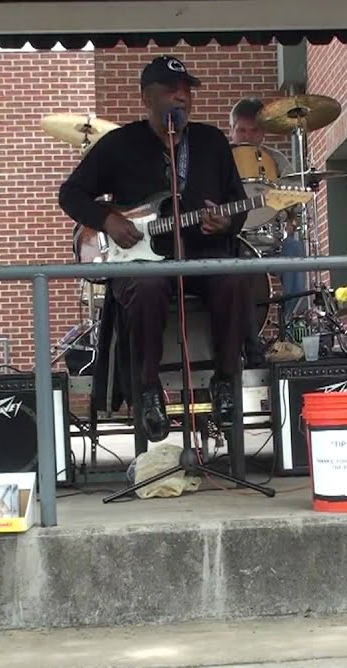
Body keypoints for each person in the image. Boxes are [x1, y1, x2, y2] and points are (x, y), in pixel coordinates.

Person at [58, 55, 253, 443]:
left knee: (234, 276)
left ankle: (226, 381)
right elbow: (71, 193)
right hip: (142, 260)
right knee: (146, 287)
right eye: (170, 91)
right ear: (147, 97)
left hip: (202, 254)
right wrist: (108, 220)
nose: (181, 98)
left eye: (186, 92)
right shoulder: (119, 144)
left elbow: (239, 201)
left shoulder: (212, 142)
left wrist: (226, 222)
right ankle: (147, 390)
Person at [228, 98, 308, 319]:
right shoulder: (219, 158)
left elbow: (295, 201)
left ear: (262, 133)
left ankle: (293, 324)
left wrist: (293, 222)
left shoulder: (277, 159)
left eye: (253, 131)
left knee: (295, 249)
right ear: (231, 130)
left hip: (272, 240)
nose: (247, 136)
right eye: (241, 130)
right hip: (231, 240)